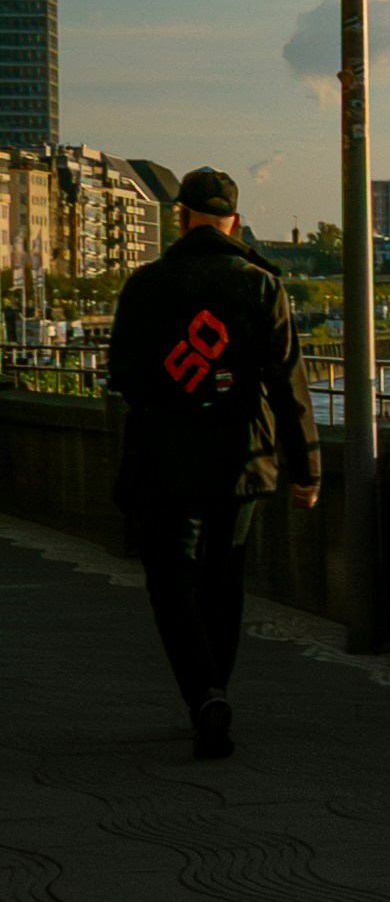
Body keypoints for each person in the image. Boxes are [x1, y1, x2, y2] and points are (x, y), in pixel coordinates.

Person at [108, 168, 318, 760]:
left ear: (181, 217)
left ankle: (203, 693)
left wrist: (171, 392)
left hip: (164, 459)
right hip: (240, 461)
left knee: (171, 582)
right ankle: (215, 691)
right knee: (224, 581)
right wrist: (307, 470)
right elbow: (288, 386)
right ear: (235, 218)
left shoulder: (146, 285)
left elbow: (124, 376)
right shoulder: (258, 284)